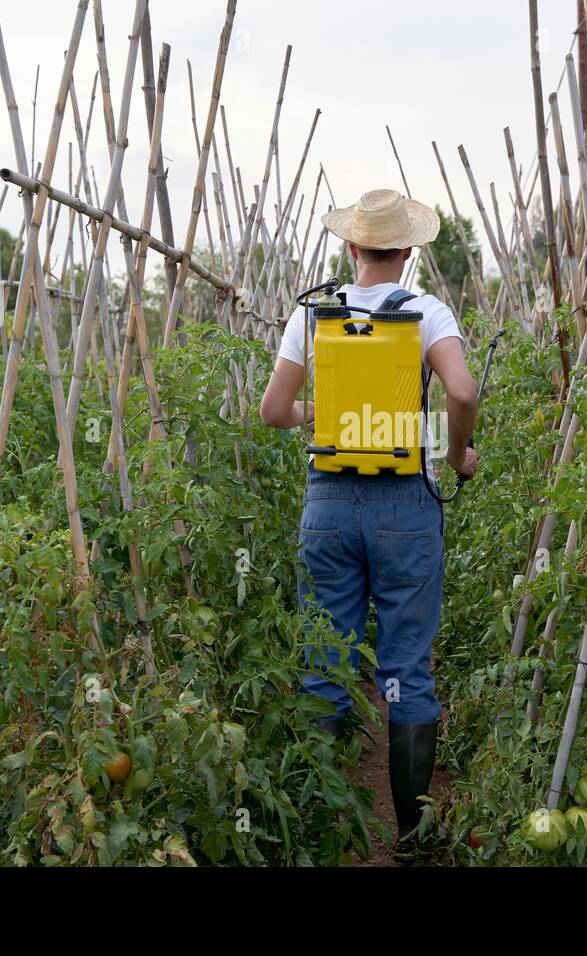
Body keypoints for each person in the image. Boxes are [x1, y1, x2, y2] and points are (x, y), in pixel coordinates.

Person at [259, 188, 479, 848]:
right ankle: (412, 842)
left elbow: (273, 410)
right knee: (405, 668)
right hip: (404, 502)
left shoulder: (313, 319)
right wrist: (460, 449)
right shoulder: (425, 313)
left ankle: (317, 834)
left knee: (325, 663)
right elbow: (463, 390)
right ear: (408, 252)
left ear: (351, 248)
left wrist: (317, 418)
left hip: (328, 501)